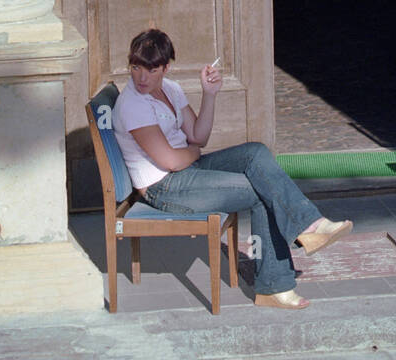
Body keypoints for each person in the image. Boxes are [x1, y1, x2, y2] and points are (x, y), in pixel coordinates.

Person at [112, 27, 353, 309]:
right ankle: (278, 281)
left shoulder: (171, 90)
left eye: (151, 70)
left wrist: (209, 94)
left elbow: (199, 137)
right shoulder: (132, 104)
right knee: (261, 190)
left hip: (187, 170)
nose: (142, 77)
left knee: (256, 154)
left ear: (165, 68)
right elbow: (171, 161)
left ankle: (308, 228)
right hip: (164, 188)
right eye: (136, 67)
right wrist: (191, 151)